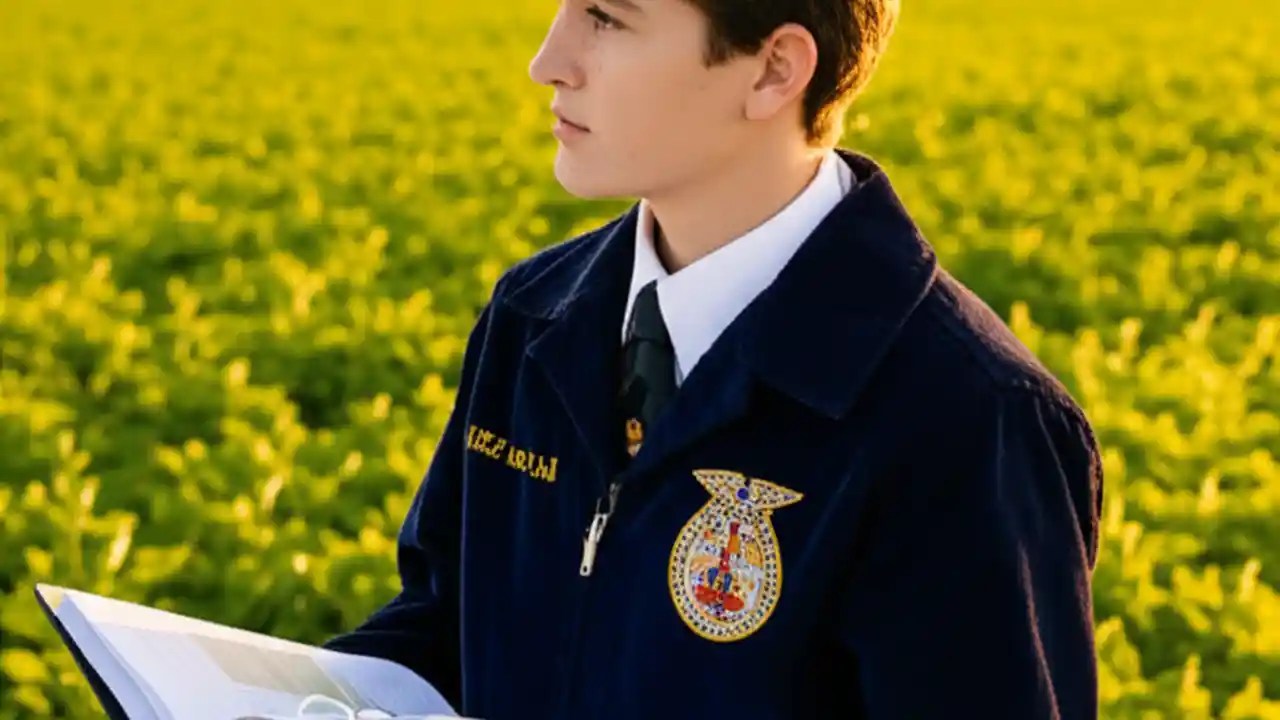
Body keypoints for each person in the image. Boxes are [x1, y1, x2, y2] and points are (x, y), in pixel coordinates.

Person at [321, 0, 1105, 717]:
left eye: (605, 17)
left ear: (773, 70)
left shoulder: (972, 419)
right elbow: (445, 628)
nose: (548, 60)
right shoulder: (533, 317)